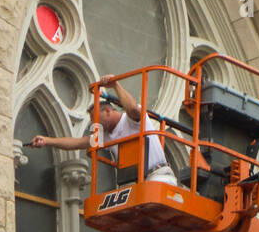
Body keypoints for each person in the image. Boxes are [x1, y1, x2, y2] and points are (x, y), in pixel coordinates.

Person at [29, 74, 178, 185]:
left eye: (95, 118)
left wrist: (115, 85)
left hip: (159, 176)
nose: (94, 123)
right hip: (139, 182)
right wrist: (47, 140)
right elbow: (77, 143)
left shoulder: (131, 120)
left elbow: (132, 108)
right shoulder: (105, 135)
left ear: (108, 111)